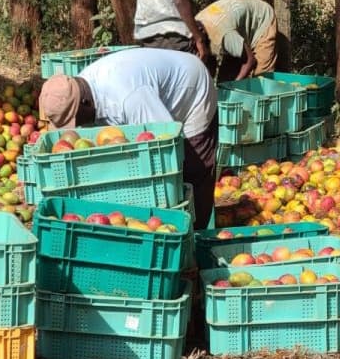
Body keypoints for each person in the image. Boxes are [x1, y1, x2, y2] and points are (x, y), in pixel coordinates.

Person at [38, 48, 218, 230]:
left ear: (85, 103)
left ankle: (196, 235)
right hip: (154, 92)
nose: (77, 128)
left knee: (193, 169)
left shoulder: (130, 97)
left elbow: (164, 142)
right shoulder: (79, 89)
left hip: (191, 87)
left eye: (75, 120)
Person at [194, 0, 290, 81]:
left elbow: (250, 60)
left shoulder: (224, 35)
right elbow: (210, 64)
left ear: (201, 32)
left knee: (260, 80)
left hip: (262, 21)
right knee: (224, 80)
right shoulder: (193, 26)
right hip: (237, 25)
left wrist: (235, 83)